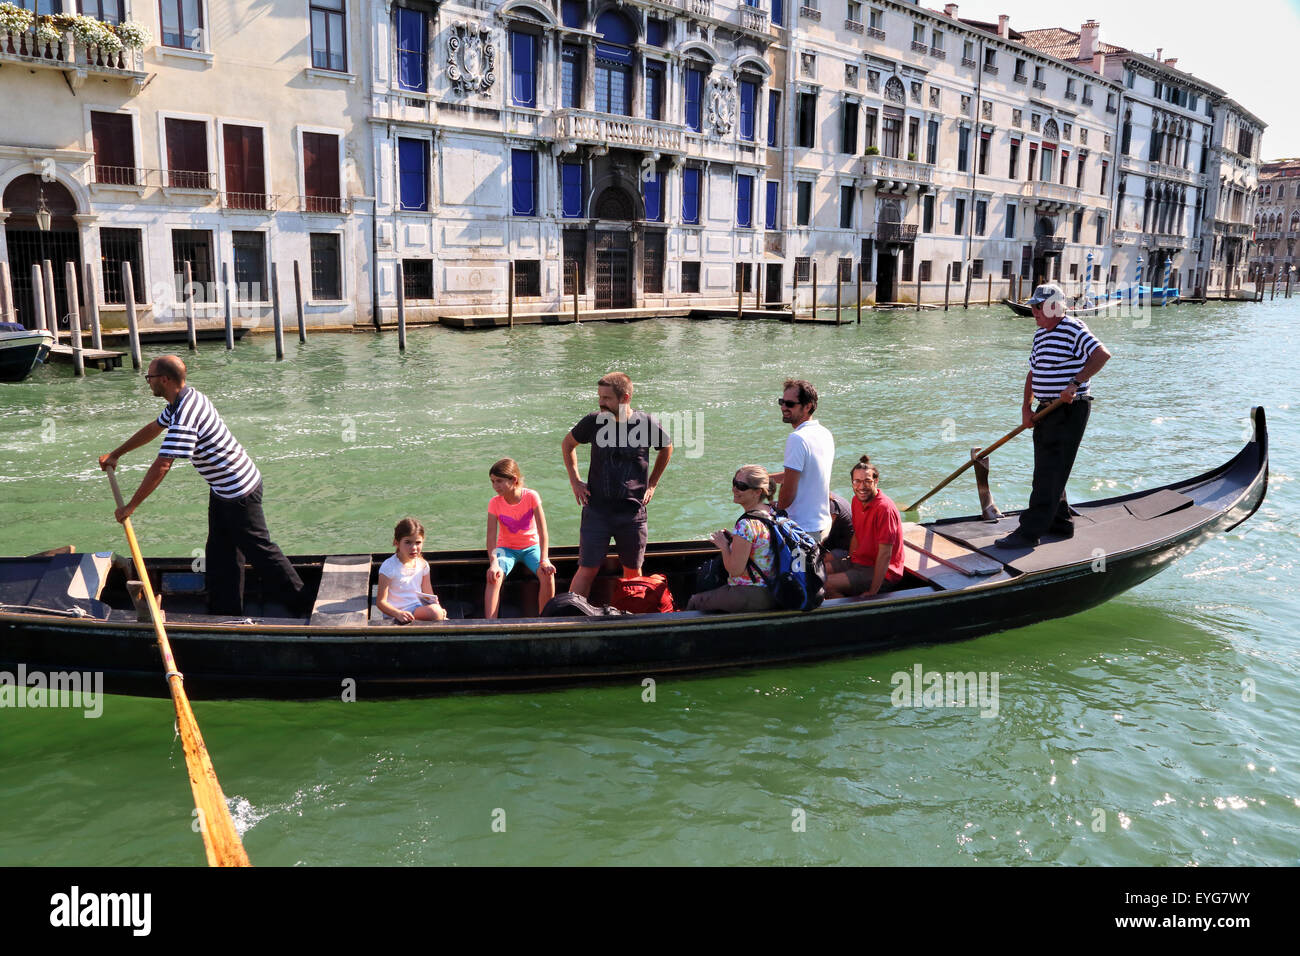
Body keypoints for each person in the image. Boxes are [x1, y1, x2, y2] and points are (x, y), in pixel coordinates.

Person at [98, 355, 306, 616]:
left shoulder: (185, 413)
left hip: (238, 490)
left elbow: (163, 464)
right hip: (222, 489)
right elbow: (153, 428)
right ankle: (226, 611)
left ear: (164, 379)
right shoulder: (180, 401)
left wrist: (131, 506)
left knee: (261, 551)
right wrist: (116, 454)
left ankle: (302, 602)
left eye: (149, 377)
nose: (147, 382)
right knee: (221, 554)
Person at [995, 283, 1112, 548]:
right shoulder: (1040, 335)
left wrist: (1075, 382)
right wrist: (1026, 408)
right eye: (1034, 307)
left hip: (1069, 408)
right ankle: (1060, 524)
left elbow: (1101, 355)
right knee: (1048, 468)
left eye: (1040, 307)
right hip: (1045, 409)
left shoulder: (1073, 328)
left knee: (1048, 472)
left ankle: (1028, 533)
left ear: (1056, 307)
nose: (1034, 311)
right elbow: (1032, 373)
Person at [561, 372, 673, 598]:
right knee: (587, 569)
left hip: (632, 513)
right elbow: (568, 444)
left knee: (633, 573)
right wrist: (575, 481)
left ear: (625, 398)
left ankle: (631, 618)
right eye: (600, 397)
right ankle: (569, 615)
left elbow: (666, 448)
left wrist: (652, 484)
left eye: (607, 398)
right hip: (597, 510)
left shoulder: (646, 423)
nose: (601, 403)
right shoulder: (593, 421)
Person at [687, 466, 777, 613]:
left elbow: (735, 570)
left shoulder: (746, 525)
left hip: (754, 593)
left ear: (757, 492)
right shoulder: (773, 513)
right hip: (775, 587)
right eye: (734, 483)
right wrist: (735, 541)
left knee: (695, 601)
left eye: (741, 486)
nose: (735, 489)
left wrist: (723, 545)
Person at [484, 458, 557, 619]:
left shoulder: (531, 496)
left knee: (547, 575)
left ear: (514, 480)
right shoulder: (494, 503)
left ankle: (546, 620)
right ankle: (489, 624)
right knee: (493, 577)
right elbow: (490, 537)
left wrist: (545, 559)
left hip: (531, 547)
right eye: (492, 481)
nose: (495, 486)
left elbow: (543, 531)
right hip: (506, 549)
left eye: (499, 481)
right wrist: (494, 563)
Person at [825, 457, 905, 598]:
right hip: (859, 561)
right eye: (857, 481)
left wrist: (873, 592)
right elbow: (857, 534)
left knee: (825, 584)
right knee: (816, 574)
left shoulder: (884, 509)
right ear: (852, 482)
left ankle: (848, 615)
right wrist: (850, 559)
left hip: (880, 571)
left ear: (876, 481)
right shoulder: (856, 501)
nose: (862, 487)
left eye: (867, 481)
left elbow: (885, 554)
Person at [772, 379, 835, 541]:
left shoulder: (797, 439)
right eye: (782, 402)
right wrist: (765, 479)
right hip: (822, 523)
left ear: (807, 406)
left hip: (801, 529)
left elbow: (788, 493)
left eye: (790, 404)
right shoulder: (824, 433)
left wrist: (774, 508)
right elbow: (802, 474)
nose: (783, 407)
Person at [376, 517, 447, 624]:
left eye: (418, 543)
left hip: (418, 609)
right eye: (408, 542)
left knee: (436, 611)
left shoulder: (423, 565)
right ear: (396, 543)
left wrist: (439, 608)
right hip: (397, 613)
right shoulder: (389, 567)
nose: (413, 547)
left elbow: (429, 596)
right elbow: (381, 602)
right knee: (434, 612)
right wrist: (398, 613)